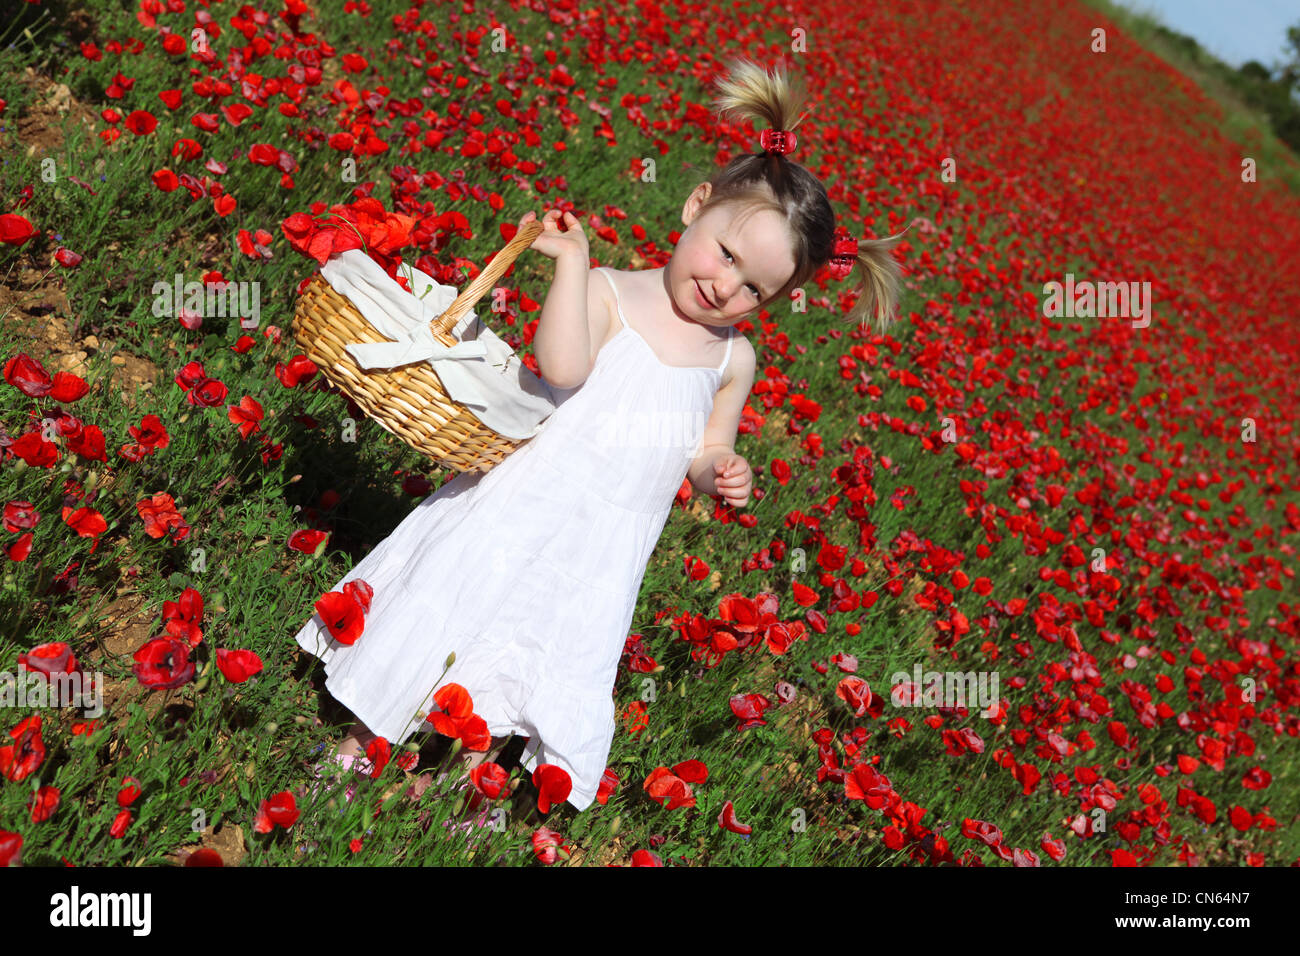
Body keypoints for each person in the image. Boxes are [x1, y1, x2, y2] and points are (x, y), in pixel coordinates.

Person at [292, 57, 907, 813]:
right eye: (725, 255)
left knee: (539, 643)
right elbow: (561, 365)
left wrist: (722, 471)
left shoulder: (731, 359)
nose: (726, 287)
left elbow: (705, 447)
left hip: (603, 548)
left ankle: (468, 779)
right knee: (460, 603)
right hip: (519, 501)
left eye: (755, 289)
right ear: (694, 207)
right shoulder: (612, 289)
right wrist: (574, 266)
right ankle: (365, 739)